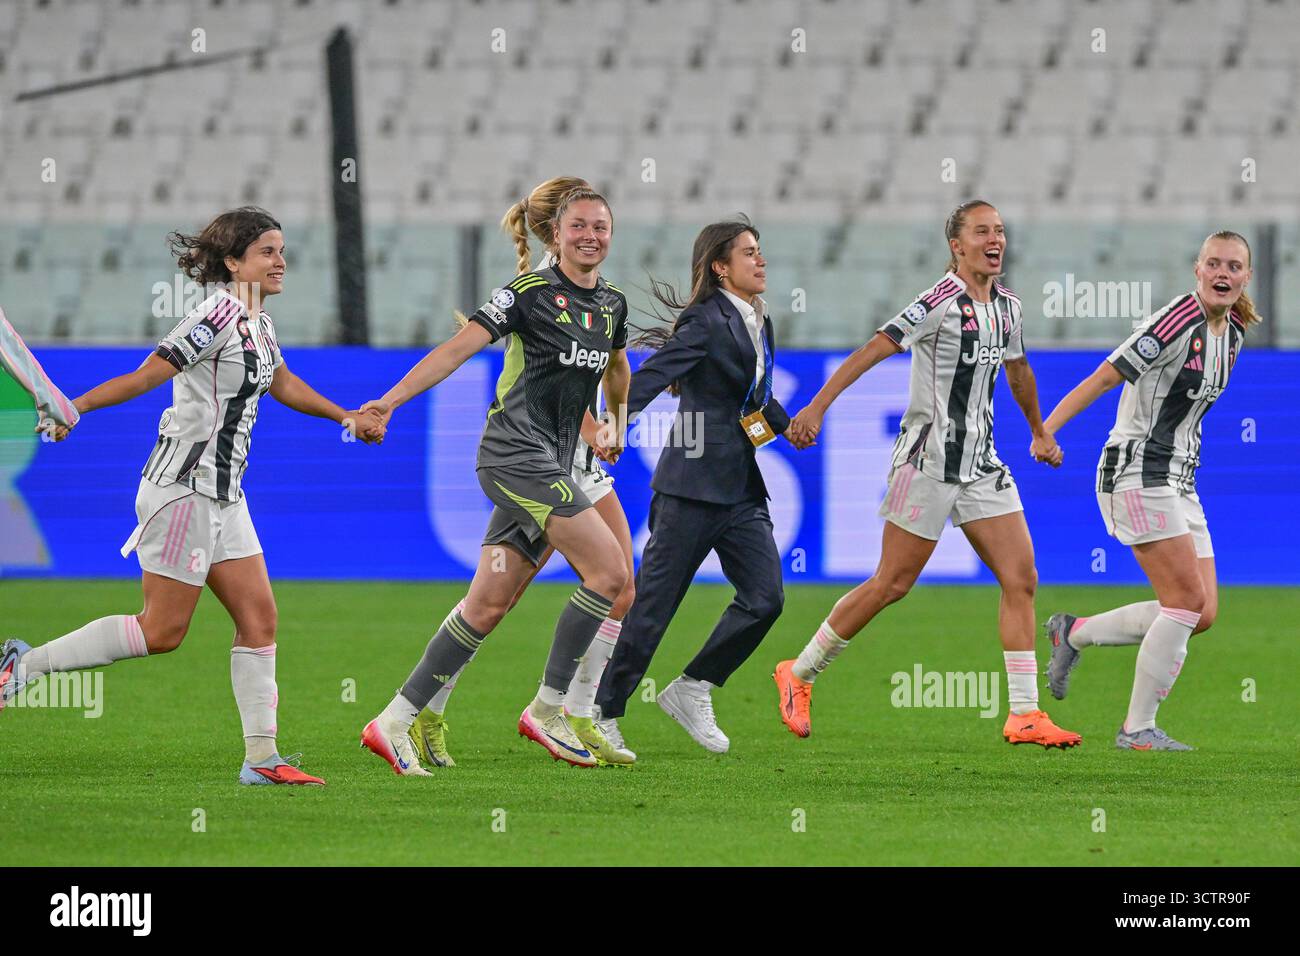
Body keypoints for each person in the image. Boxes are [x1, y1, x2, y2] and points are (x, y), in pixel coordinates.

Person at [0, 206, 384, 786]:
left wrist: (345, 416)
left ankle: (262, 760)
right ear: (233, 263)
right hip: (182, 492)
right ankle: (20, 666)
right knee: (162, 632)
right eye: (267, 252)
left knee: (259, 620)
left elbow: (280, 381)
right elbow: (146, 375)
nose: (281, 262)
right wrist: (76, 407)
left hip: (225, 495)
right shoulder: (217, 315)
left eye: (282, 250)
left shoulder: (261, 322)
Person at [774, 199, 1082, 749]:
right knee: (893, 582)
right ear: (956, 246)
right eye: (982, 231)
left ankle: (1025, 714)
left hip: (982, 464)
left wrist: (1039, 431)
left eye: (1001, 231)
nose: (995, 240)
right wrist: (817, 407)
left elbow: (1018, 370)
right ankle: (798, 674)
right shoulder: (938, 301)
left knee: (1022, 578)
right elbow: (875, 348)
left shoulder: (1007, 307)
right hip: (929, 463)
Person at [358, 188, 630, 773]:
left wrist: (614, 421)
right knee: (611, 573)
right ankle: (548, 708)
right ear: (554, 235)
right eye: (578, 226)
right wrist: (389, 402)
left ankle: (394, 720)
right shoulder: (530, 294)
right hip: (514, 455)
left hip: (550, 465)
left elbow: (616, 365)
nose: (591, 236)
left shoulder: (611, 304)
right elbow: (460, 347)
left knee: (487, 605)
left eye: (601, 227)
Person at [594, 217, 807, 755]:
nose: (760, 261)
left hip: (739, 486)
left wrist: (787, 425)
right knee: (655, 606)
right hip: (690, 486)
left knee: (766, 598)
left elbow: (751, 397)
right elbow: (648, 375)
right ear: (720, 266)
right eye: (749, 253)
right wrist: (611, 425)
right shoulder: (705, 320)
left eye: (760, 251)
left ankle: (693, 687)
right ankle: (603, 711)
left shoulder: (759, 319)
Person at [1038, 231, 1258, 751]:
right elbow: (1105, 376)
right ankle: (1137, 729)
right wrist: (1047, 430)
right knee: (1183, 602)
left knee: (1199, 613)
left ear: (1247, 275)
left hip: (1180, 479)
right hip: (1137, 472)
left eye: (1233, 266)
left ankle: (1072, 632)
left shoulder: (1234, 332)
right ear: (1197, 269)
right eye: (1213, 264)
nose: (1222, 273)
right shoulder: (1175, 322)